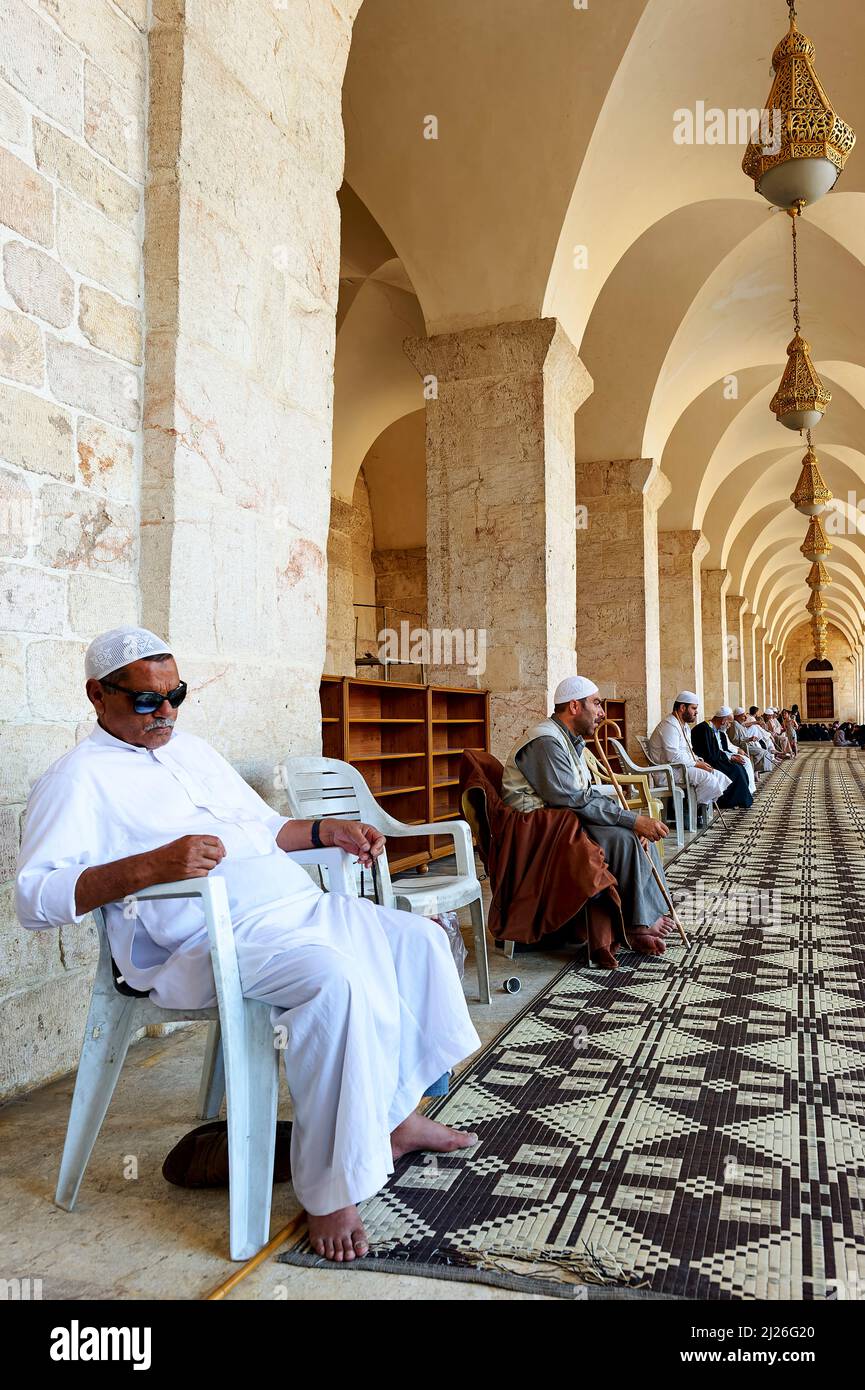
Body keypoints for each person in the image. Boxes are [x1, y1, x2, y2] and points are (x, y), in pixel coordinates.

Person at [15, 627, 482, 1265]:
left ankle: (395, 1116)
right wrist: (150, 867)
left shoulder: (194, 752)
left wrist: (328, 829)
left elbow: (265, 830)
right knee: (335, 982)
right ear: (98, 695)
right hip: (208, 941)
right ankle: (330, 1189)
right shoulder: (75, 781)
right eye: (149, 701)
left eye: (175, 694)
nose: (168, 712)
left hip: (296, 908)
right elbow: (34, 900)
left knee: (421, 940)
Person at [501, 676, 676, 957]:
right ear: (573, 706)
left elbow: (583, 792)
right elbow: (570, 798)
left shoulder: (570, 741)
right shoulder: (545, 740)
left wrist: (632, 819)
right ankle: (638, 925)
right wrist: (630, 820)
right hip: (538, 827)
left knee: (634, 833)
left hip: (561, 818)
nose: (602, 712)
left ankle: (646, 914)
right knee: (623, 837)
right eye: (596, 703)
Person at [648, 691, 732, 806]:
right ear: (682, 707)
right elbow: (673, 756)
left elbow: (688, 751)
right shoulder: (669, 725)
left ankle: (697, 808)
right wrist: (696, 764)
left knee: (718, 776)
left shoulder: (684, 726)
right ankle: (692, 808)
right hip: (667, 772)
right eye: (693, 708)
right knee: (709, 779)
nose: (696, 712)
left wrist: (698, 760)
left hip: (680, 768)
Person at [691, 707, 754, 807]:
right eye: (729, 723)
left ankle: (741, 798)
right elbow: (708, 754)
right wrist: (729, 758)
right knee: (735, 770)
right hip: (708, 761)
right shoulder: (703, 729)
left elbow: (718, 750)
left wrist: (730, 757)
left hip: (716, 758)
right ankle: (729, 801)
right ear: (723, 721)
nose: (729, 726)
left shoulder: (715, 730)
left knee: (739, 767)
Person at [732, 707, 775, 774]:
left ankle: (759, 770)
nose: (746, 718)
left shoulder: (739, 723)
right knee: (762, 752)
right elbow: (734, 741)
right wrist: (749, 739)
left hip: (746, 744)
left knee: (765, 751)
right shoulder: (734, 725)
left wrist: (756, 722)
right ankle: (755, 769)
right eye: (743, 716)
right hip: (742, 746)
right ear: (737, 716)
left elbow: (745, 724)